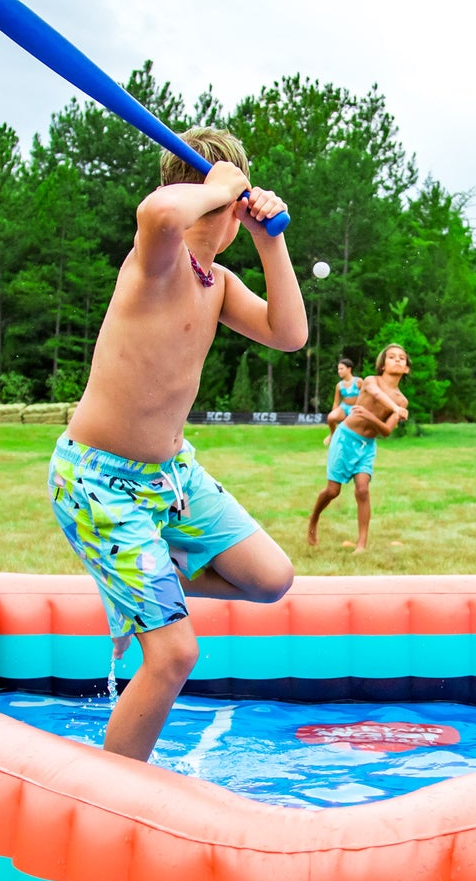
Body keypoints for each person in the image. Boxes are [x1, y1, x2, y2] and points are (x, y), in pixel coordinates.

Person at [48, 127, 305, 762]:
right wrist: (216, 184)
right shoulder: (155, 263)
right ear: (199, 195)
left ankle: (147, 581)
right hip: (98, 482)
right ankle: (114, 803)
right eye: (225, 201)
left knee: (272, 578)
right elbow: (158, 213)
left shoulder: (216, 284)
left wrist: (268, 239)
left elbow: (289, 332)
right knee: (175, 653)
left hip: (172, 477)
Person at [307, 343, 409, 551]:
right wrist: (395, 409)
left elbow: (386, 431)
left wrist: (373, 416)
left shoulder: (402, 400)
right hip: (345, 439)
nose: (398, 359)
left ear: (406, 368)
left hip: (367, 446)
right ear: (382, 365)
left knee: (362, 490)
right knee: (333, 491)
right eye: (392, 357)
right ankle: (313, 520)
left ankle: (361, 544)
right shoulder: (371, 381)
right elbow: (379, 395)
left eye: (402, 358)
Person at [320, 357, 360, 447]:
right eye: (338, 369)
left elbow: (366, 395)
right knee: (331, 417)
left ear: (349, 369)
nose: (339, 371)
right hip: (344, 407)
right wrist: (334, 411)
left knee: (351, 425)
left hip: (355, 408)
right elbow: (336, 402)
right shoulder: (339, 385)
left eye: (341, 369)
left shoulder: (358, 381)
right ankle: (333, 435)